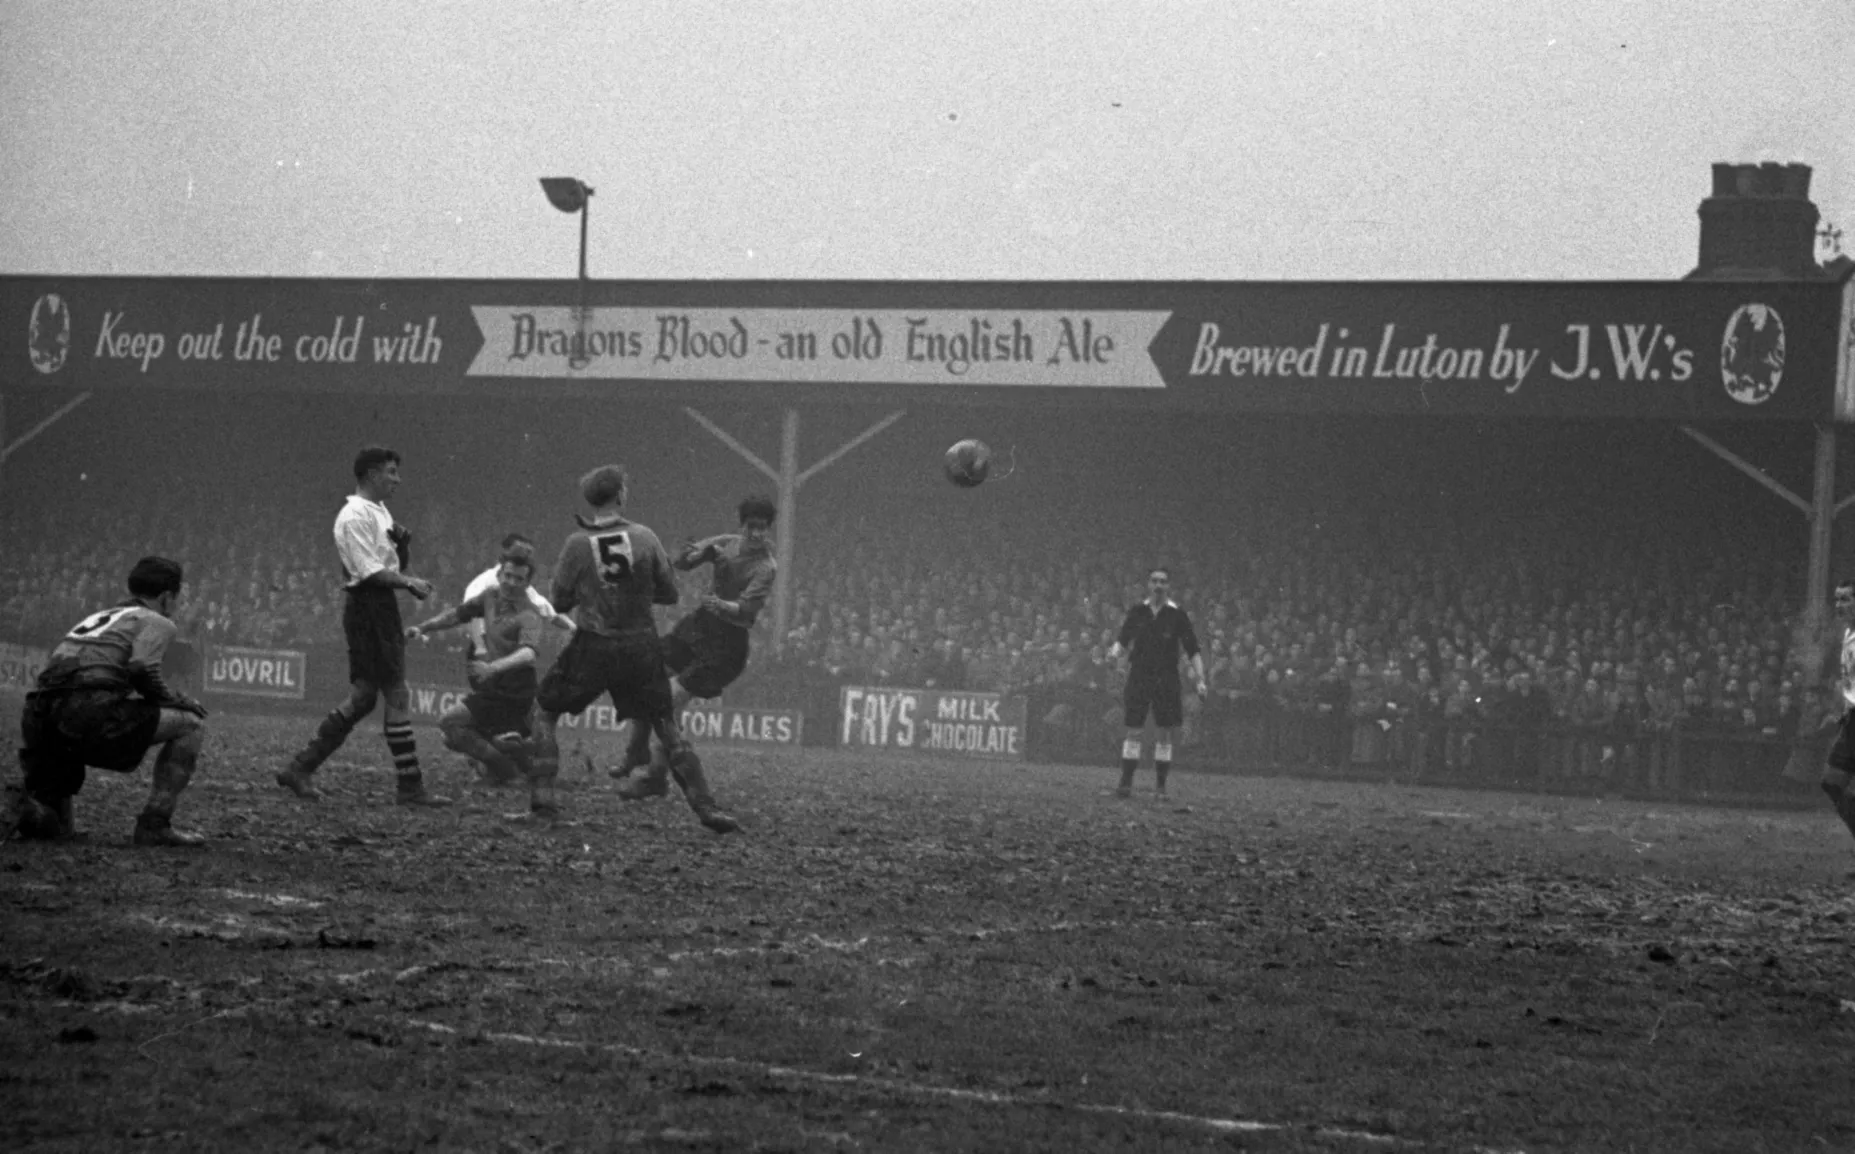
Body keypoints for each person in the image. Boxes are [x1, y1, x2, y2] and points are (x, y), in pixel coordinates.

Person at [529, 465, 738, 832]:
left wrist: (591, 592)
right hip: (640, 644)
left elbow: (558, 602)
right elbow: (670, 593)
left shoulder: (577, 543)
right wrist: (635, 591)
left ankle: (543, 800)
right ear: (621, 495)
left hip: (594, 643)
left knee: (544, 713)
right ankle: (705, 807)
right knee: (666, 725)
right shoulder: (644, 536)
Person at [275, 445, 448, 807]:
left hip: (379, 607)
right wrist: (409, 582)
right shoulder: (354, 515)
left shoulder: (379, 511)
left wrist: (402, 550)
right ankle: (410, 785)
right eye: (391, 472)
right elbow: (368, 572)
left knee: (365, 696)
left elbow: (390, 565)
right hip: (368, 607)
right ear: (371, 474)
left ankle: (300, 767)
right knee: (395, 693)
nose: (397, 480)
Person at [8, 557, 211, 846]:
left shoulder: (101, 617)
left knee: (55, 827)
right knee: (192, 724)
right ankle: (155, 823)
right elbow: (142, 666)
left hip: (38, 716)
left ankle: (24, 810)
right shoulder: (157, 621)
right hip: (84, 712)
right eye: (177, 598)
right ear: (166, 597)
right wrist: (174, 700)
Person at [613, 495, 777, 798]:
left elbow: (746, 609)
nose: (756, 533)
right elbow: (682, 562)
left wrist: (722, 604)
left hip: (726, 644)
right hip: (700, 628)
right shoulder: (727, 543)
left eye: (763, 528)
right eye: (752, 526)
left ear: (769, 529)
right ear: (742, 525)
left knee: (669, 698)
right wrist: (695, 554)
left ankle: (655, 774)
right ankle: (641, 755)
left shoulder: (766, 567)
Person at [406, 553, 544, 787]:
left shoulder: (530, 613)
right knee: (451, 737)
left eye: (519, 579)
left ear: (527, 583)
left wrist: (493, 667)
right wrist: (424, 627)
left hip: (515, 690)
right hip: (494, 687)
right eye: (508, 575)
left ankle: (507, 769)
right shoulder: (489, 597)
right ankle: (511, 755)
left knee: (450, 723)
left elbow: (528, 653)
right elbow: (457, 615)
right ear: (499, 574)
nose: (511, 583)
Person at [1110, 567, 1207, 798]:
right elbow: (1122, 641)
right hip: (1139, 675)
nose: (1158, 585)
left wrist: (1201, 679)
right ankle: (1126, 783)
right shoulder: (1138, 612)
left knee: (1164, 733)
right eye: (1154, 581)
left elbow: (1193, 650)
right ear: (1148, 584)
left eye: (1162, 581)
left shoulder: (1177, 615)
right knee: (1134, 729)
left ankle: (1161, 787)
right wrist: (1113, 655)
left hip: (1167, 677)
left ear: (1168, 586)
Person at [1819, 579, 1855, 841]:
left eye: (1846, 599)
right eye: (1837, 599)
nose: (1839, 605)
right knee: (1831, 783)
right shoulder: (1847, 634)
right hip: (1851, 719)